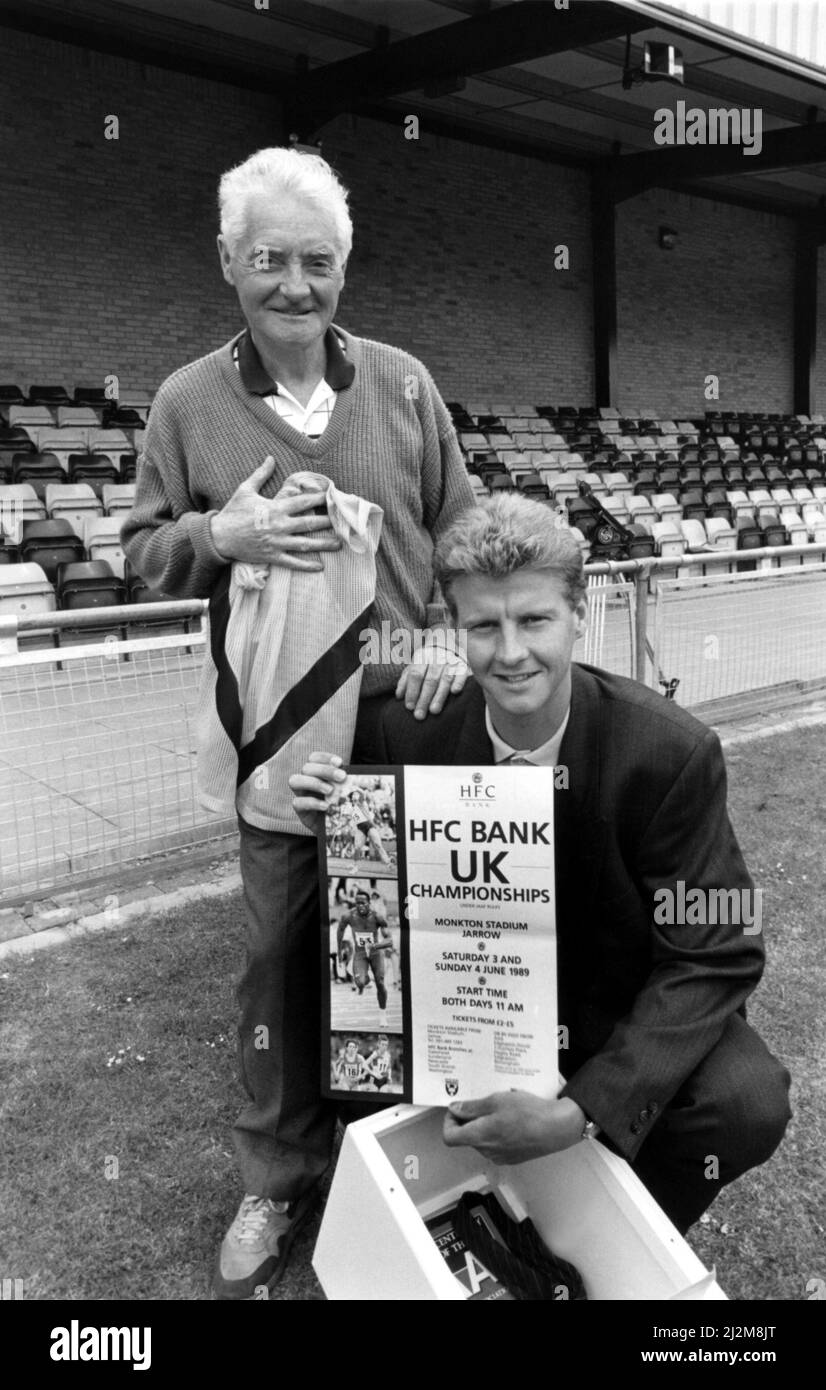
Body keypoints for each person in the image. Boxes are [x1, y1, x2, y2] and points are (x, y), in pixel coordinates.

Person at [120, 145, 474, 1300]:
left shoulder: (408, 386)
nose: (293, 283)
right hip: (283, 741)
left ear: (344, 268)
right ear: (227, 261)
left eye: (316, 261)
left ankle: (425, 1149)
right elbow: (136, 554)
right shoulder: (186, 403)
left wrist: (451, 637)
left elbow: (471, 536)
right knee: (279, 958)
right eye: (268, 258)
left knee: (425, 943)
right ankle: (277, 1172)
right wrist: (214, 539)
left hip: (411, 722)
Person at [291, 493, 792, 1236]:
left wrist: (582, 1111)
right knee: (305, 964)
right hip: (468, 1008)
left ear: (579, 617)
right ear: (453, 631)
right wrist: (342, 838)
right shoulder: (402, 734)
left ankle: (610, 1236)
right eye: (484, 627)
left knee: (744, 1100)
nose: (511, 651)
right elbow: (378, 923)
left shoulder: (668, 753)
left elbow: (716, 953)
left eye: (534, 620)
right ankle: (422, 1205)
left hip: (607, 1007)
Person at [338, 890, 394, 1027]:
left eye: (363, 903)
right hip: (360, 954)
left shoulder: (377, 917)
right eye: (357, 903)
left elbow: (390, 940)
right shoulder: (348, 916)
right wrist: (339, 951)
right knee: (361, 983)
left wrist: (374, 945)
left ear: (369, 903)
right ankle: (364, 979)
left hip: (375, 953)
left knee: (380, 982)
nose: (360, 906)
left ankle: (383, 1015)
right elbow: (340, 930)